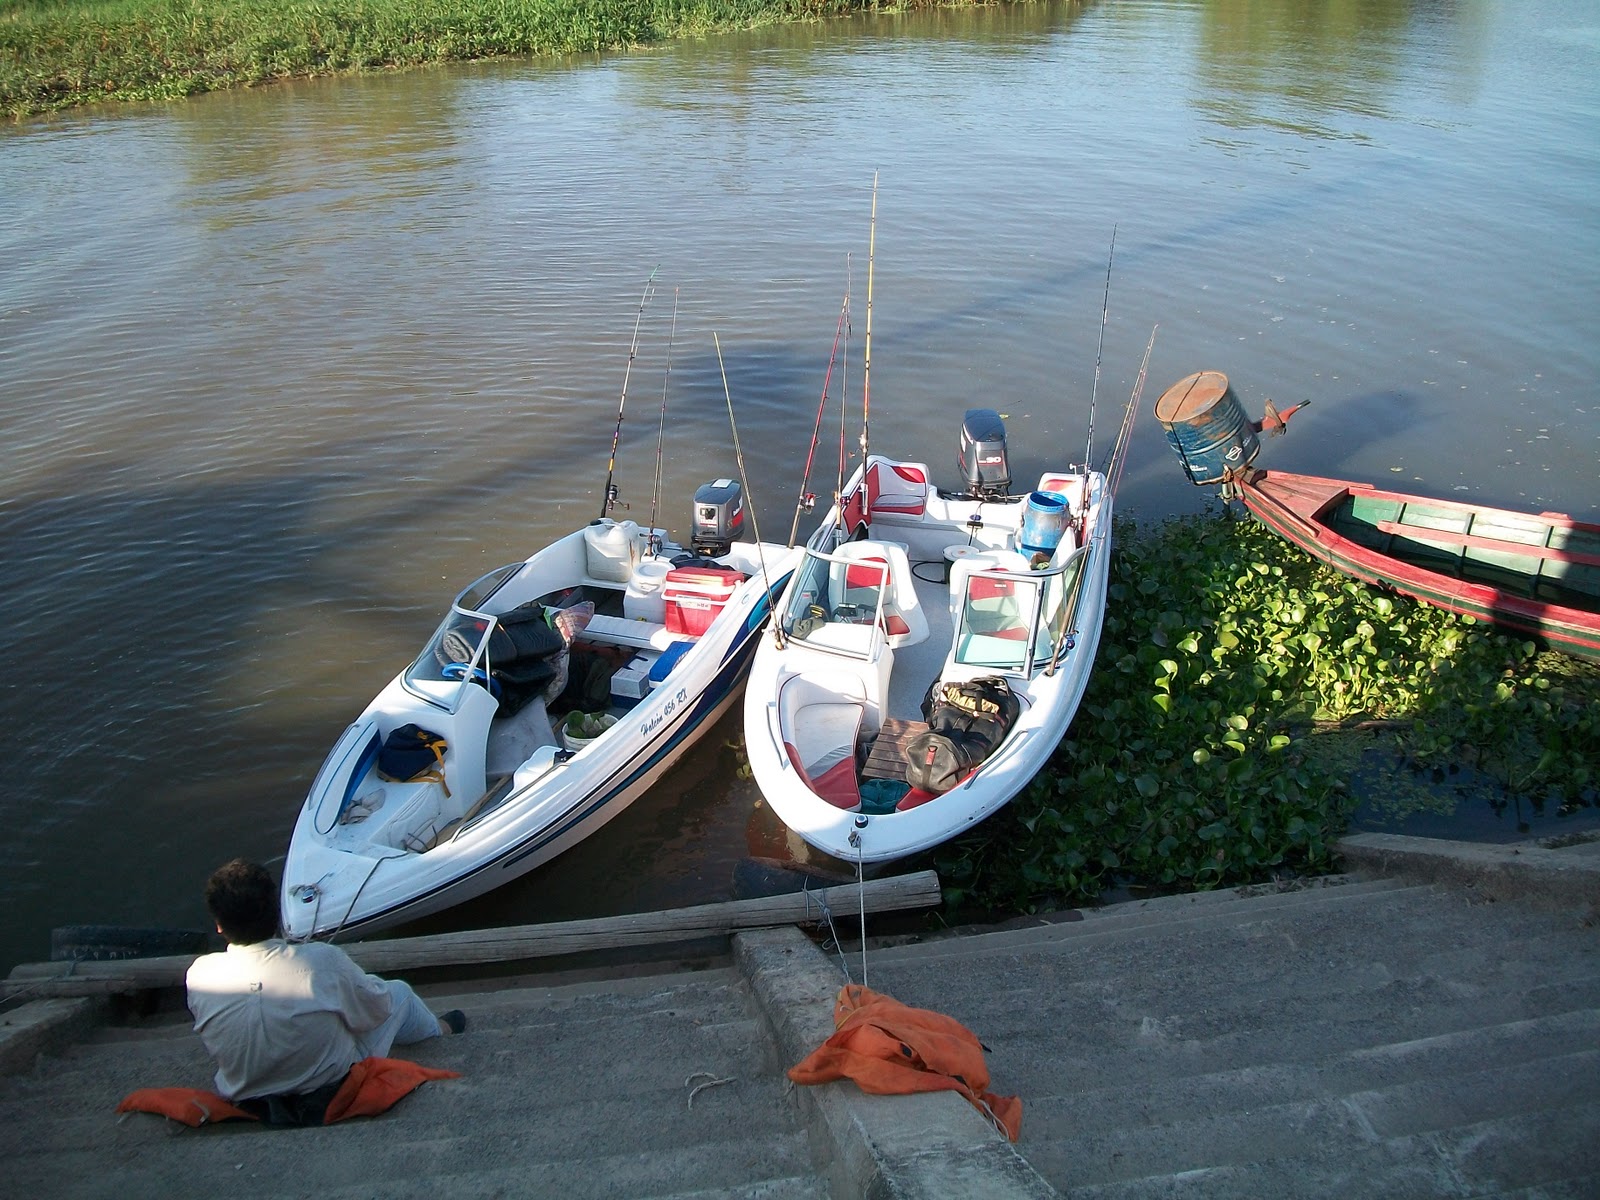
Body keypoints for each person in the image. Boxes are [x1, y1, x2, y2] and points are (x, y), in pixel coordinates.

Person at [186, 859, 465, 1115]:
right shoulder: (321, 961)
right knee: (397, 994)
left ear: (219, 926)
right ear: (277, 913)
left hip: (246, 1096)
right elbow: (376, 1012)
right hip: (327, 1090)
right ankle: (439, 1030)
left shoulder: (199, 975)